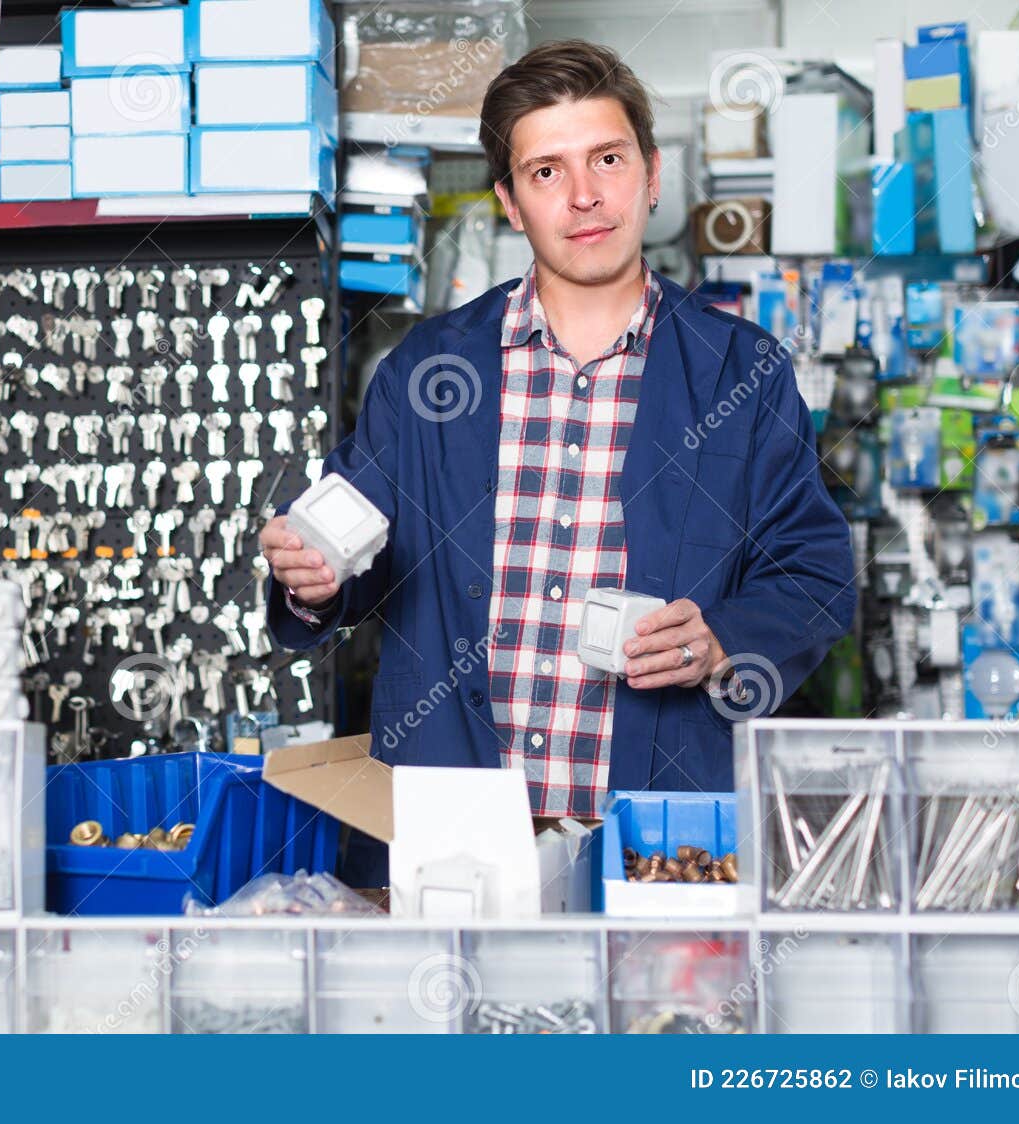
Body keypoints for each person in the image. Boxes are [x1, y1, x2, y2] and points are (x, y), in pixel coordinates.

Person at [259, 39, 855, 822]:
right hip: (453, 823)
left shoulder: (741, 374)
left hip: (656, 830)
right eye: (548, 171)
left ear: (650, 175)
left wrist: (721, 640)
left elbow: (814, 573)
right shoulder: (430, 372)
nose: (583, 197)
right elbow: (353, 554)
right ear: (511, 201)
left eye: (607, 159)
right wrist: (311, 581)